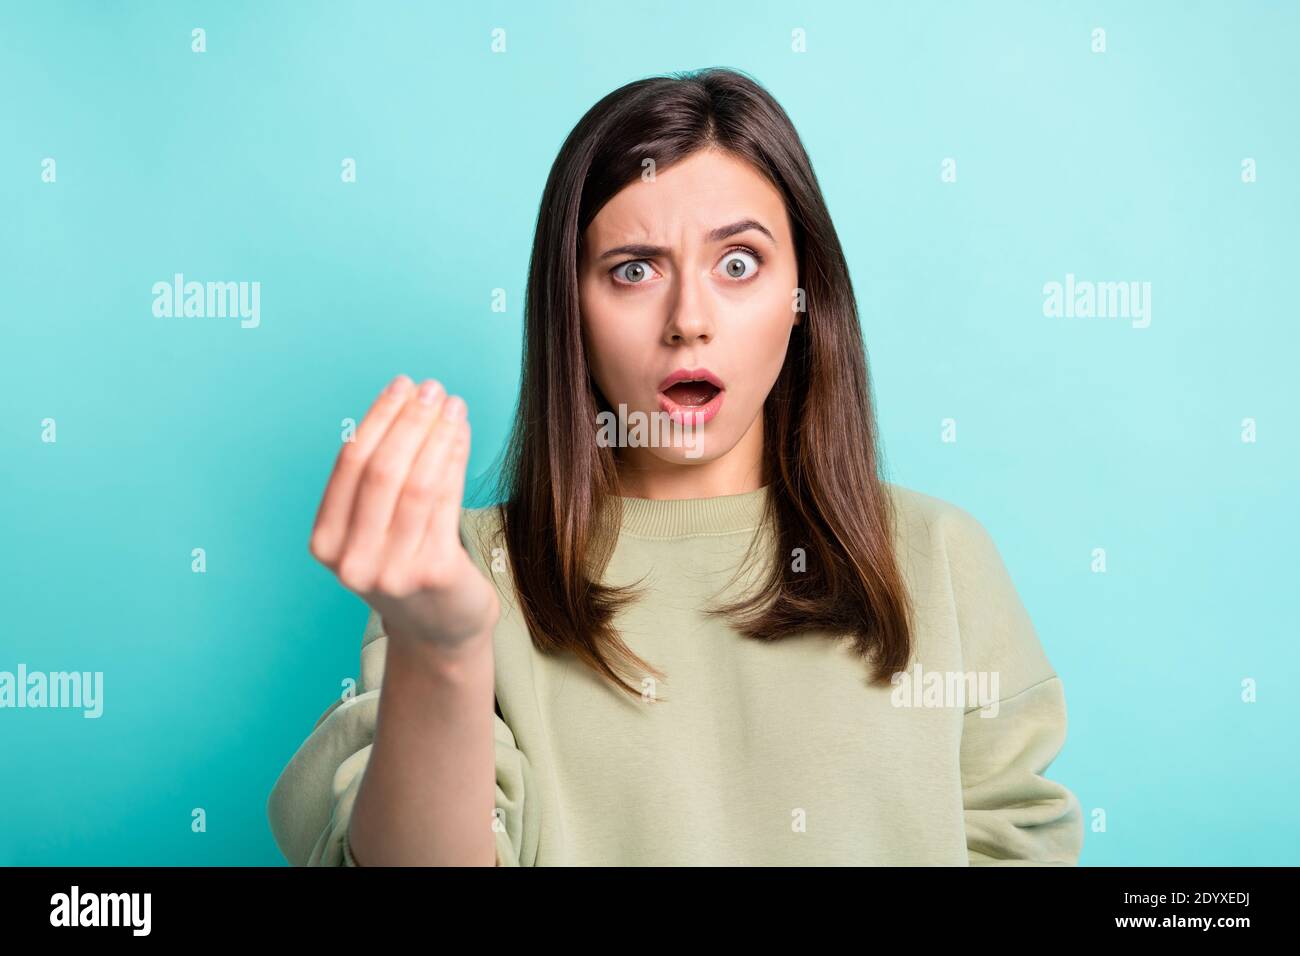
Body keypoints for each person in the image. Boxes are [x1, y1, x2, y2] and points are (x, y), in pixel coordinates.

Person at [266, 67, 1084, 867]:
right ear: (570, 309)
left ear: (806, 297)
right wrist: (441, 648)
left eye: (738, 264)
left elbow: (1016, 842)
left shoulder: (940, 556)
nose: (688, 321)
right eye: (633, 270)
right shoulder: (465, 575)